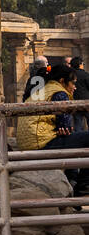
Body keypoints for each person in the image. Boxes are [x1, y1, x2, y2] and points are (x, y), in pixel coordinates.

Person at [16, 63, 89, 200]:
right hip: (41, 142)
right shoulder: (59, 93)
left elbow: (63, 128)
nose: (75, 87)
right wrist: (64, 127)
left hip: (30, 141)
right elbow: (65, 126)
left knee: (73, 141)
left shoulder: (43, 90)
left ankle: (73, 183)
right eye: (72, 83)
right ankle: (84, 185)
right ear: (62, 81)